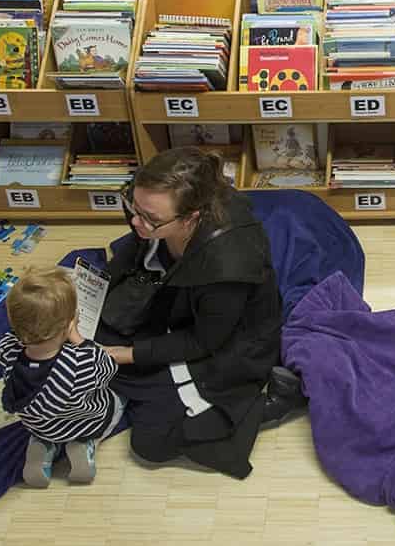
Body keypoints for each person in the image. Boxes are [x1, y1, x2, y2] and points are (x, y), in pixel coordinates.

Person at [96, 147, 304, 478]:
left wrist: (127, 354)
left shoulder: (227, 265)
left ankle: (272, 403)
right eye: (133, 207)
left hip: (229, 343)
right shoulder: (170, 211)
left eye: (150, 219)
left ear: (191, 217)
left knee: (151, 444)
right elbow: (137, 250)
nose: (136, 222)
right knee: (99, 334)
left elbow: (202, 342)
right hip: (185, 305)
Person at [0, 266, 124, 488]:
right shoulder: (81, 362)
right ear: (68, 326)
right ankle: (84, 445)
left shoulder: (6, 352)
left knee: (44, 429)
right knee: (118, 400)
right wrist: (78, 338)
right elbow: (108, 368)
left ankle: (43, 447)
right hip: (85, 422)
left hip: (41, 425)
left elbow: (9, 340)